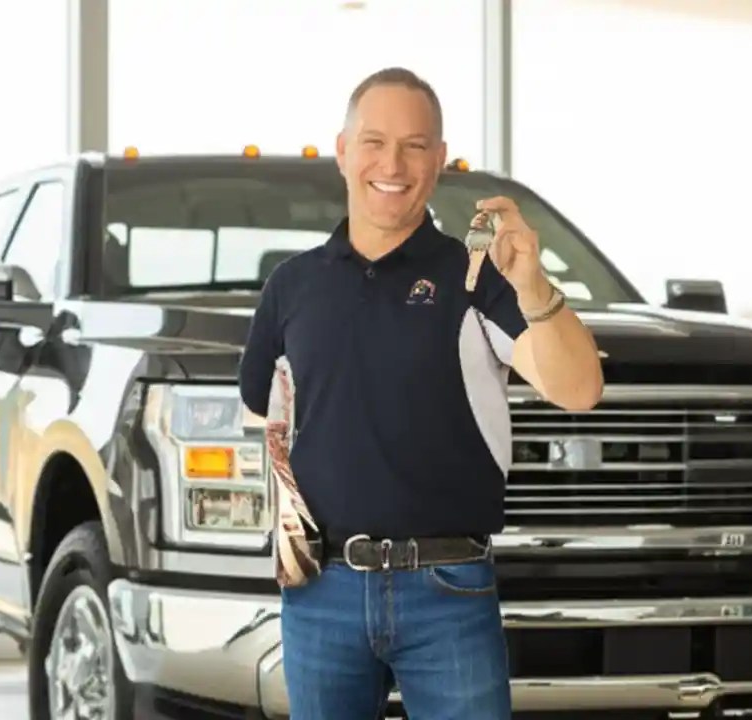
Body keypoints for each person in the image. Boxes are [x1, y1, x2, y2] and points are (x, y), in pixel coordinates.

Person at [238, 67, 604, 720]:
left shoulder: (476, 278)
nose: (393, 163)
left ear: (439, 160)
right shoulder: (291, 289)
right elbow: (262, 423)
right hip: (321, 596)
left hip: (448, 592)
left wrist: (533, 286)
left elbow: (579, 389)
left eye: (415, 145)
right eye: (374, 141)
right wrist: (286, 535)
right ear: (343, 151)